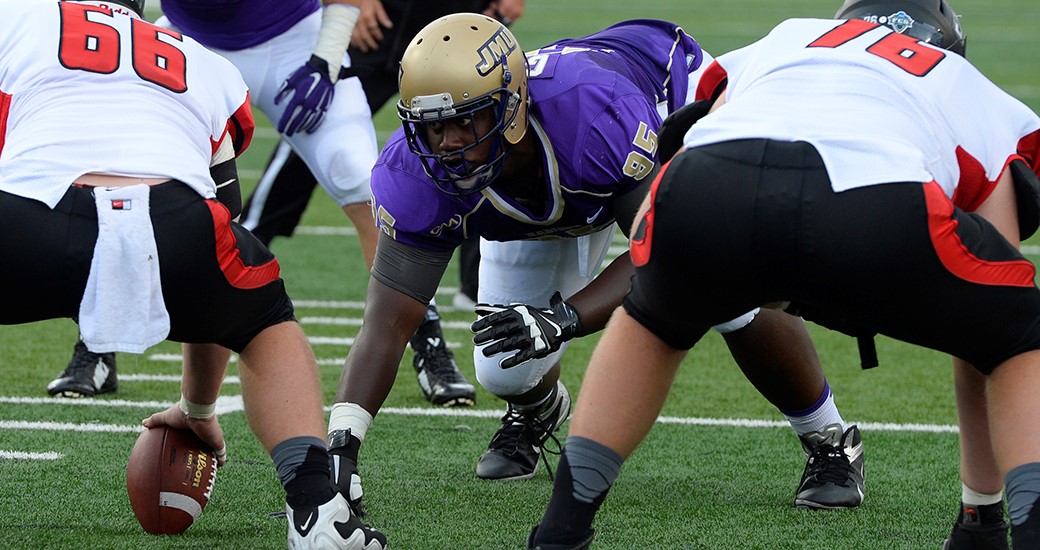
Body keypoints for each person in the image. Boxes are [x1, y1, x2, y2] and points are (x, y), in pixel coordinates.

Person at [526, 0, 1040, 548]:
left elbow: (702, 124)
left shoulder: (787, 37)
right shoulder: (963, 82)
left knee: (652, 319)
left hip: (706, 183)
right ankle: (997, 526)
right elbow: (989, 318)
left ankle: (561, 530)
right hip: (873, 197)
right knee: (1014, 335)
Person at [326, 12, 867, 519]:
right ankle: (538, 409)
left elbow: (663, 247)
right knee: (502, 366)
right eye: (432, 126)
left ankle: (831, 441)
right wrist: (341, 452)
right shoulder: (412, 170)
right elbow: (387, 321)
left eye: (465, 122)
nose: (447, 144)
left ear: (511, 107)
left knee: (722, 280)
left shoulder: (591, 111)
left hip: (661, 115)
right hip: (544, 190)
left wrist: (562, 320)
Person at [0, 0, 387, 548]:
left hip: (29, 214)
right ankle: (317, 510)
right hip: (172, 224)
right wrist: (197, 408)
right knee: (264, 319)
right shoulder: (201, 59)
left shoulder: (18, 18)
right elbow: (221, 227)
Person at [44, 0, 383, 401]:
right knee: (120, 176)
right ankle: (95, 346)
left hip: (294, 41)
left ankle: (422, 336)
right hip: (191, 43)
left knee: (360, 177)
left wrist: (326, 58)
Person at [242, 0, 526, 410]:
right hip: (378, 20)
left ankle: (453, 319)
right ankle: (240, 243)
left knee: (483, 151)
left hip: (462, 27)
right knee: (326, 156)